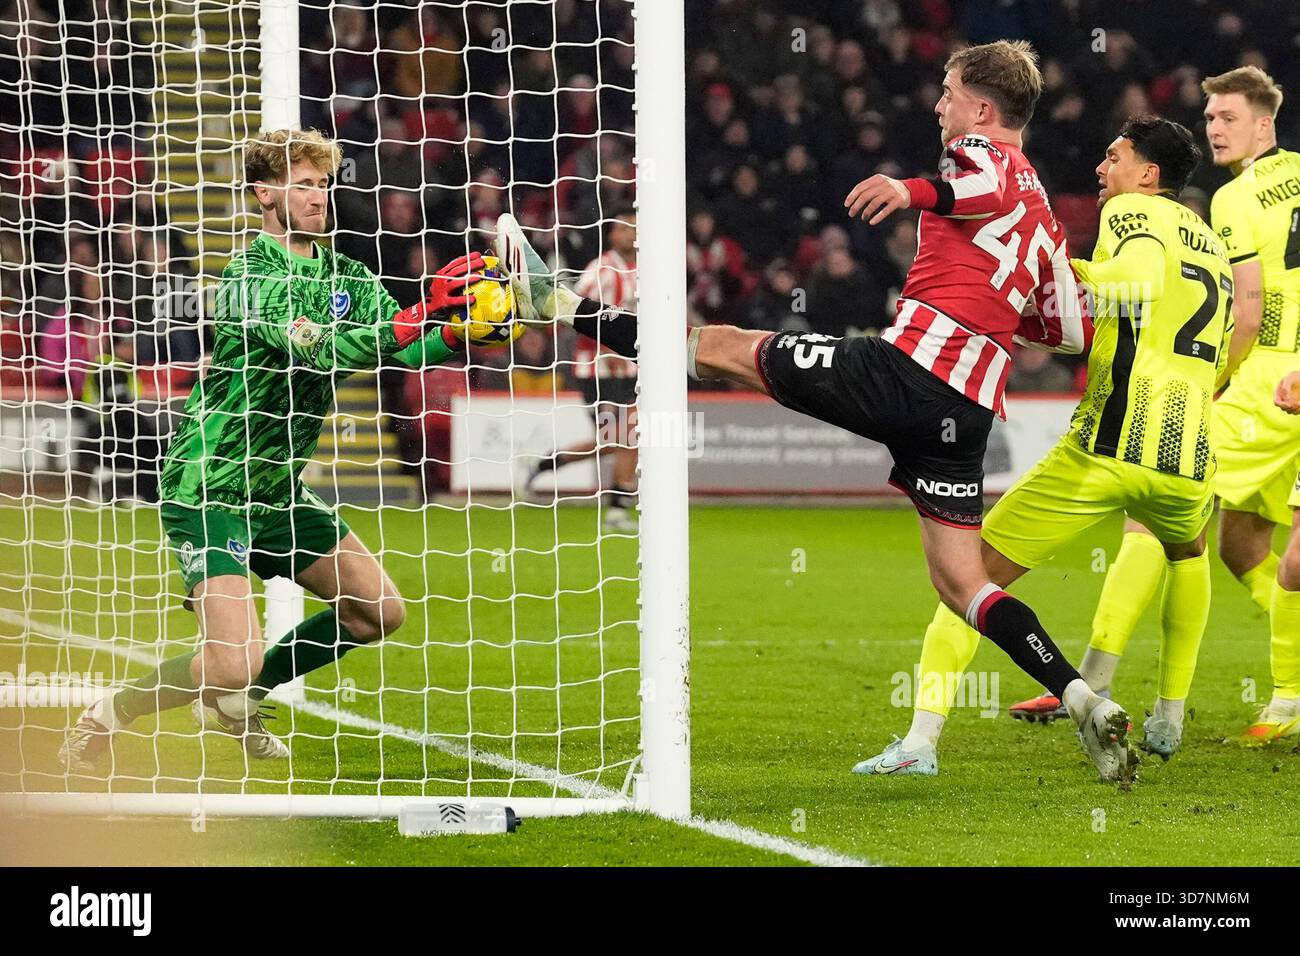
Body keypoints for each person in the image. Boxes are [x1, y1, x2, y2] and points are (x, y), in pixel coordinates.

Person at [495, 41, 1139, 782]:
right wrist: (994, 314)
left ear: (983, 109)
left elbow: (978, 179)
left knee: (721, 347)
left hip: (907, 373)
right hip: (965, 411)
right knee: (963, 585)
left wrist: (912, 191)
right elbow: (1067, 330)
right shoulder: (1047, 218)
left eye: (949, 91)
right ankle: (1084, 699)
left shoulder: (980, 157)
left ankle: (559, 304)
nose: (939, 105)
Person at [59, 128, 518, 773]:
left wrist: (461, 330)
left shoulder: (347, 273)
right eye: (303, 184)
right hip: (211, 480)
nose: (318, 196)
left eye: (324, 183)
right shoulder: (246, 277)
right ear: (264, 193)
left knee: (377, 612)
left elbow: (402, 347)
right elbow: (316, 345)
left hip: (276, 486)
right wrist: (417, 321)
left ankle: (242, 698)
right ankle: (111, 711)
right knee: (229, 658)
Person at [873, 117, 1229, 773]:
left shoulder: (1131, 212)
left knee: (966, 579)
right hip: (1186, 461)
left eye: (1113, 155)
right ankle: (1169, 715)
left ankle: (919, 743)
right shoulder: (1211, 244)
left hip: (1108, 449)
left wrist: (1058, 273)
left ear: (1148, 174)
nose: (1102, 168)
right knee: (1186, 554)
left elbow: (1137, 284)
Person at [1011, 67, 1300, 747]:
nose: (1215, 128)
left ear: (1266, 123)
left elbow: (1250, 312)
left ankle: (1096, 677)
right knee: (1247, 545)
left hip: (1265, 379)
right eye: (1209, 119)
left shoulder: (1233, 199)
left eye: (1228, 117)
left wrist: (1212, 382)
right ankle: (1286, 688)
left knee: (1153, 522)